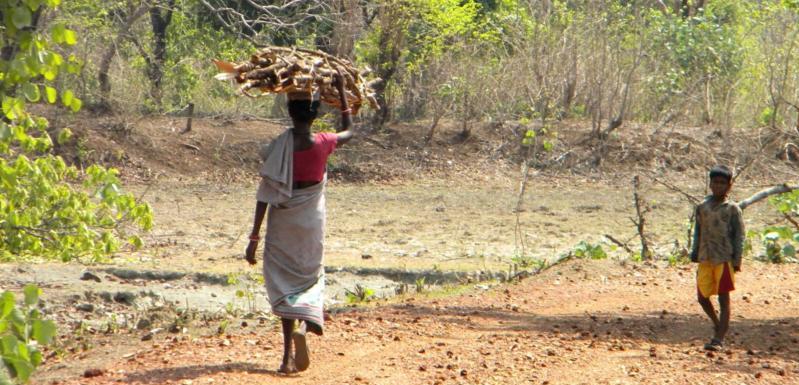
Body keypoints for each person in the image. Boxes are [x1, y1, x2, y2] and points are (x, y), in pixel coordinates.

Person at [244, 73, 353, 373]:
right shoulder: (323, 142)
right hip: (311, 224)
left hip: (283, 225)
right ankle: (306, 324)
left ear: (289, 114)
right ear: (316, 114)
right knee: (310, 277)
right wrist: (343, 92)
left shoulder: (280, 146)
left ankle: (285, 357)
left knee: (284, 281)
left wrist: (253, 238)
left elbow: (264, 194)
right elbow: (349, 131)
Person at [690, 165, 744, 352]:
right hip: (705, 257)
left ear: (729, 186)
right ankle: (716, 323)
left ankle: (719, 338)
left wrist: (737, 260)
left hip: (724, 258)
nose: (718, 186)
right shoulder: (702, 207)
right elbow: (698, 231)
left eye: (723, 183)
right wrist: (694, 252)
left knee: (723, 299)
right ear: (710, 184)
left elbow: (739, 236)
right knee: (702, 297)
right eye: (715, 182)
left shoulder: (732, 209)